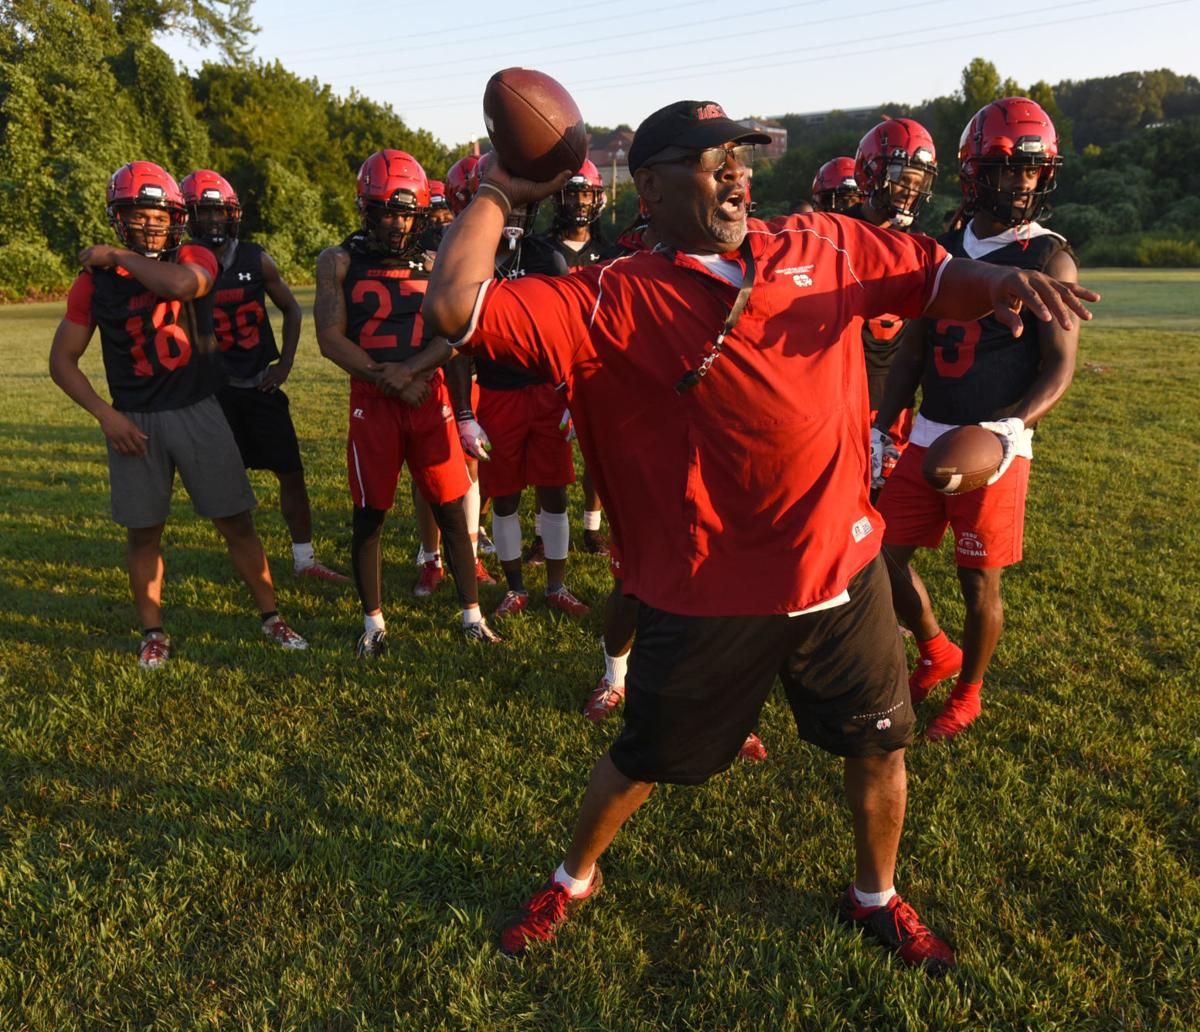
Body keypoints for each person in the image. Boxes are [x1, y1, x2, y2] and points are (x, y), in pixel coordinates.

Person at [402, 98, 1095, 971]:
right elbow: (453, 308)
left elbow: (930, 279)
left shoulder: (821, 242)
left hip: (838, 569)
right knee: (644, 757)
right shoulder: (607, 295)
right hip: (708, 588)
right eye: (710, 160)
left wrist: (996, 286)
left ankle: (875, 894)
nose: (735, 173)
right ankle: (573, 877)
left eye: (739, 155)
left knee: (881, 744)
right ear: (650, 187)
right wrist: (499, 190)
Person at [872, 97, 1077, 741]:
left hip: (994, 440)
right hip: (928, 430)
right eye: (1008, 168)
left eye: (1032, 170)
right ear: (974, 172)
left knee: (977, 580)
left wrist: (1013, 429)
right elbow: (912, 351)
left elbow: (1059, 367)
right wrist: (881, 426)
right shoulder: (943, 247)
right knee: (878, 557)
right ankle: (937, 651)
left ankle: (969, 693)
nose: (1021, 182)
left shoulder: (1049, 257)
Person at [49, 161, 309, 667]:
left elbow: (183, 286)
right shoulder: (94, 282)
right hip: (135, 419)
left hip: (198, 408)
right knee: (144, 532)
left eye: (158, 215)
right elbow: (63, 361)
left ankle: (271, 616)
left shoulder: (193, 254)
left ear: (176, 218)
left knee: (236, 522)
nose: (149, 225)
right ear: (118, 217)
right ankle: (153, 633)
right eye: (137, 215)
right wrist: (105, 415)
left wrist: (119, 256)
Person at [313, 149, 500, 656]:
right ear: (365, 209)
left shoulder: (436, 260)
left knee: (451, 509)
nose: (397, 224)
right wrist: (393, 379)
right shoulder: (338, 259)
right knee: (370, 513)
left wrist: (413, 371)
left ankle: (472, 615)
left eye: (405, 214)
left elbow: (456, 332)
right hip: (374, 398)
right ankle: (373, 621)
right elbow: (329, 338)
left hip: (426, 394)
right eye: (386, 212)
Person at [180, 168, 347, 584]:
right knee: (225, 483)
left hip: (258, 383)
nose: (213, 220)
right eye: (204, 212)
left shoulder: (256, 258)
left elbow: (291, 309)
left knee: (290, 472)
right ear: (188, 216)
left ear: (232, 214)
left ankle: (304, 559)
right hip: (215, 393)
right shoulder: (179, 264)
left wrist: (284, 364)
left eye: (219, 212)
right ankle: (247, 559)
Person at [444, 154, 590, 624]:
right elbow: (456, 346)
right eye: (512, 203)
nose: (518, 213)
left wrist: (573, 397)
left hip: (546, 391)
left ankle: (557, 584)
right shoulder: (471, 258)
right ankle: (515, 587)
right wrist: (465, 414)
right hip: (497, 393)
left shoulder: (547, 257)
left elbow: (572, 332)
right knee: (504, 496)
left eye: (525, 205)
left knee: (554, 491)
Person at [845, 120, 941, 490]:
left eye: (919, 181)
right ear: (872, 174)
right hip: (841, 396)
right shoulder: (835, 234)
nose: (910, 191)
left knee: (884, 502)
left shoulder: (918, 246)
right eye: (902, 178)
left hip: (894, 404)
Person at [536, 159, 611, 555]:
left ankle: (591, 527)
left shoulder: (610, 250)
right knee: (549, 455)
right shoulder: (541, 249)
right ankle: (541, 533)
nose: (580, 202)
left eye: (586, 193)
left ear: (597, 198)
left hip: (595, 363)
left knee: (599, 453)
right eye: (572, 194)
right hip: (551, 362)